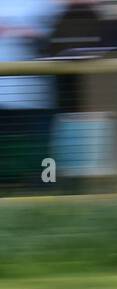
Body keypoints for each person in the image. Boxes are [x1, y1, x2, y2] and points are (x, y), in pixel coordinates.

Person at [0, 0, 58, 187]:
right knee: (8, 145)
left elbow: (51, 35)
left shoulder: (43, 3)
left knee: (41, 147)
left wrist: (24, 33)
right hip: (5, 95)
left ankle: (46, 185)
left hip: (35, 95)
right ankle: (10, 184)